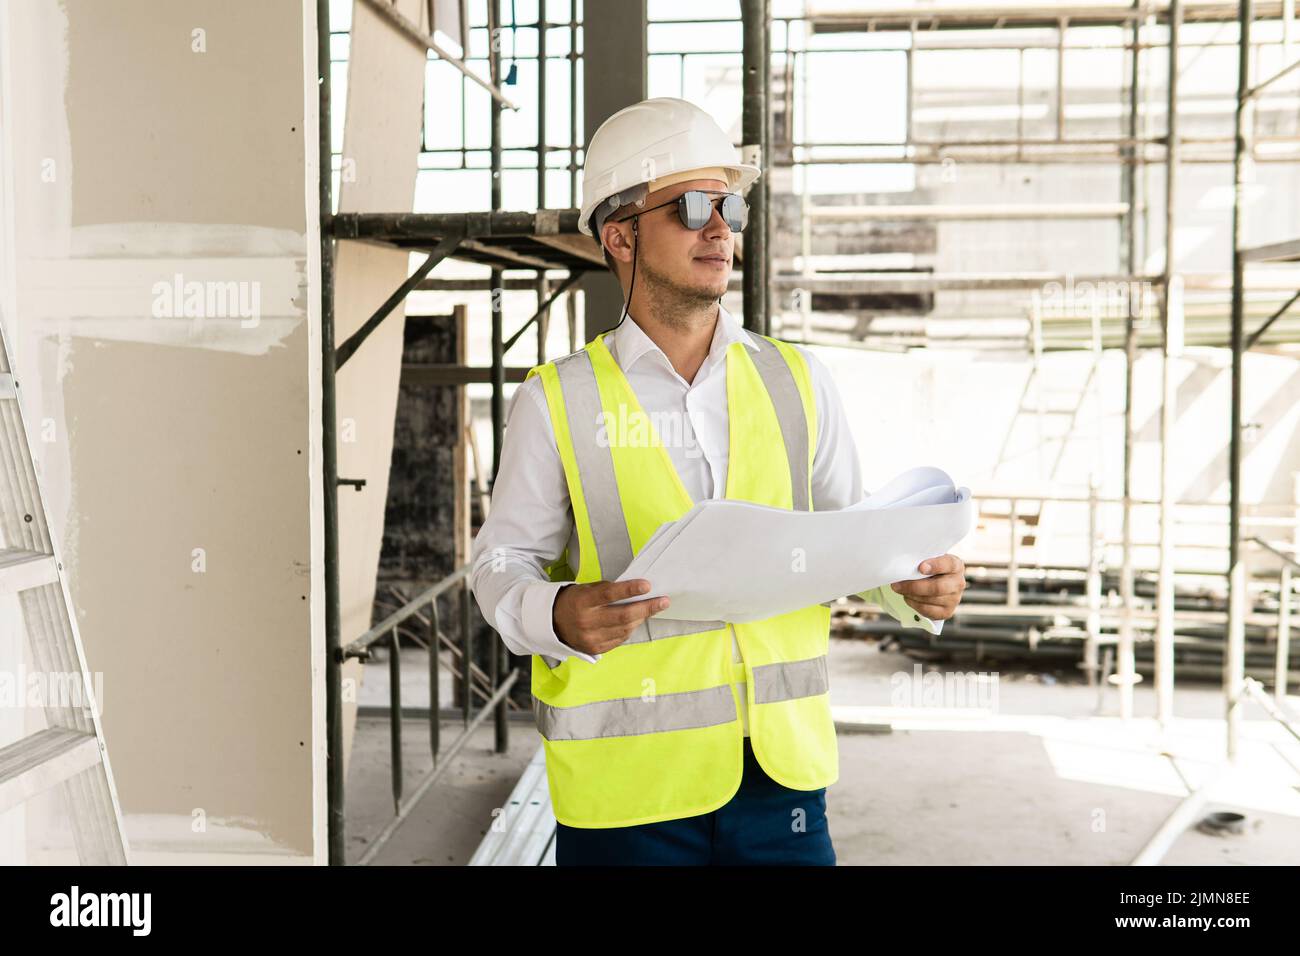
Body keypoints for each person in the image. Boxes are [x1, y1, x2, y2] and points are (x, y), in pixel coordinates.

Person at [470, 97, 967, 866]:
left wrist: (909, 584)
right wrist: (558, 614)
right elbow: (500, 565)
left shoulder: (799, 380)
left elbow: (851, 539)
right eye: (693, 205)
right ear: (621, 237)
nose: (720, 227)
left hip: (782, 785)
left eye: (729, 205)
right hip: (626, 796)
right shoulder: (556, 398)